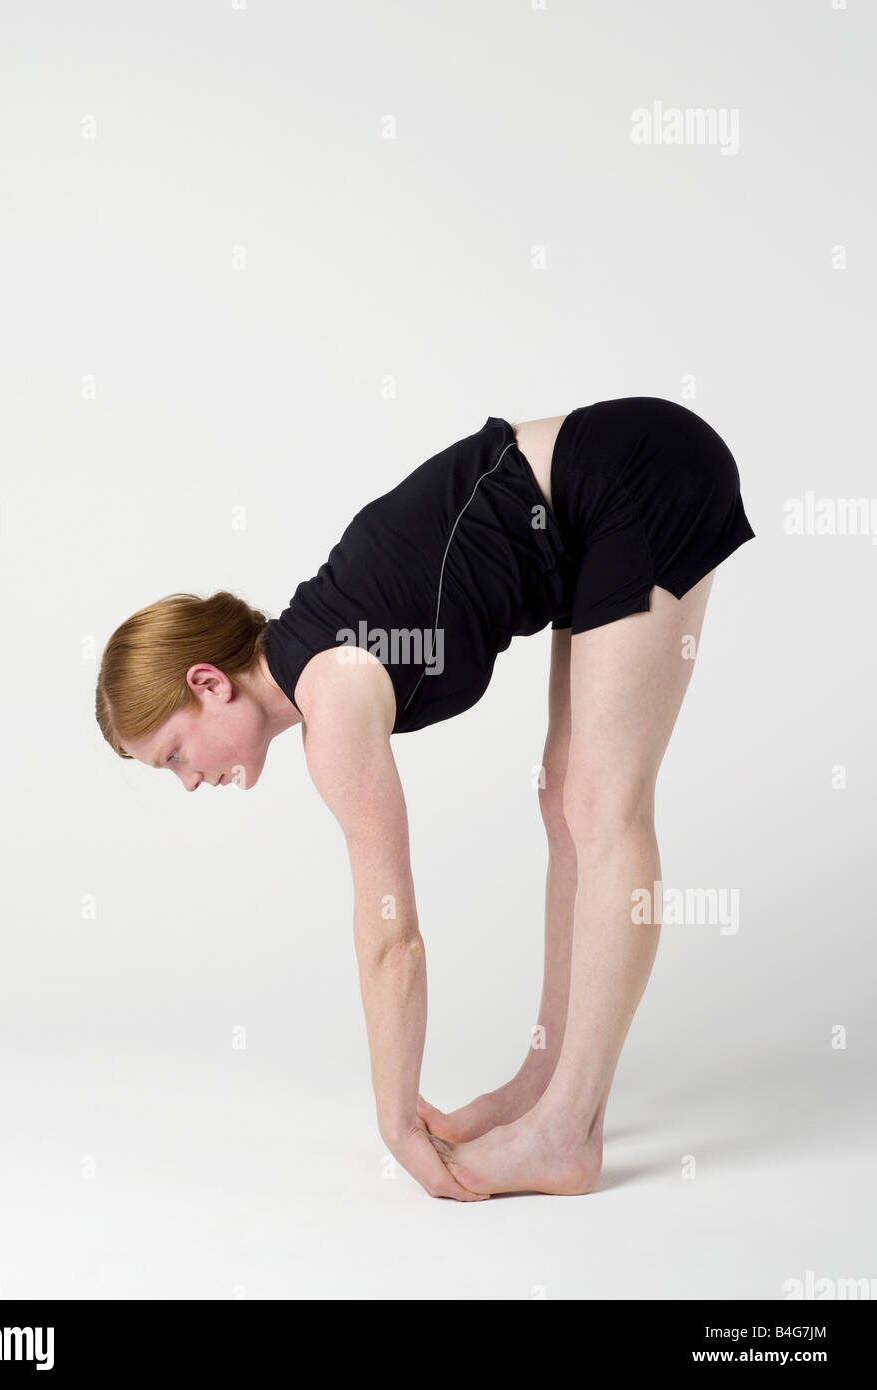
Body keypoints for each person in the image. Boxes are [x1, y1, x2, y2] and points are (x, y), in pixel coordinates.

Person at [95, 397, 756, 1200]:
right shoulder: (315, 655)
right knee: (566, 802)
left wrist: (393, 1118)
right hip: (591, 512)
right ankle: (547, 1083)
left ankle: (568, 1132)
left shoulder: (331, 704)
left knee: (604, 807)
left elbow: (391, 944)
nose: (190, 782)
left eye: (174, 756)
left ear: (208, 684)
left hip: (635, 474)